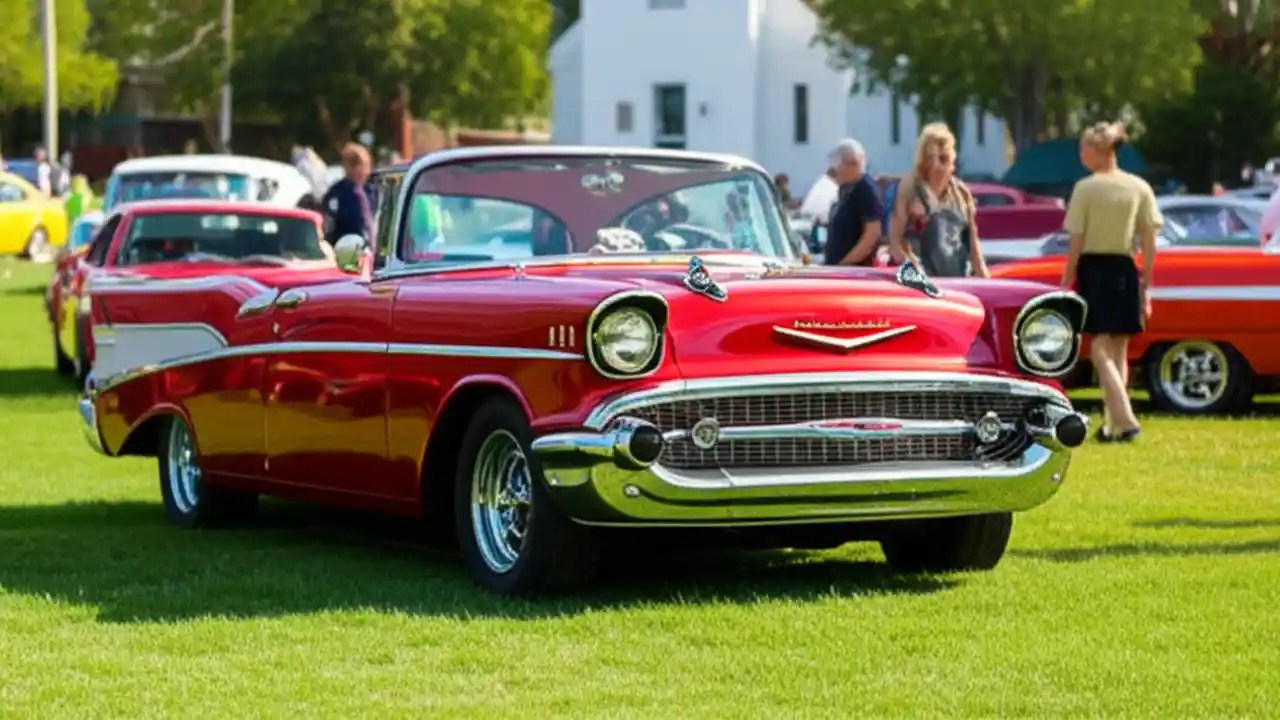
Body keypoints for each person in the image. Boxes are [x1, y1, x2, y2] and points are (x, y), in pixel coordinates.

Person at [1059, 121, 1161, 443]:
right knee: (1118, 349)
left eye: (1084, 147)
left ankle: (1126, 419)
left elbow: (1076, 239)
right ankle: (1111, 425)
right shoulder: (1139, 187)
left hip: (1096, 268)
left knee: (1100, 348)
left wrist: (1066, 279)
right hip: (1125, 269)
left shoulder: (1086, 188)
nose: (1081, 154)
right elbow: (1149, 241)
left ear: (1097, 151)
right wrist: (1146, 286)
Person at [888, 122, 990, 278]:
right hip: (924, 282)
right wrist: (912, 273)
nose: (935, 165)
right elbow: (895, 243)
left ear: (951, 160)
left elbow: (973, 244)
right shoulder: (910, 188)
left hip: (958, 279)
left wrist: (984, 277)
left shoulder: (961, 193)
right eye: (929, 158)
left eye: (942, 158)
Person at [822, 139, 884, 266]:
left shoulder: (866, 190)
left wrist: (845, 263)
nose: (834, 174)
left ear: (853, 163)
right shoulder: (848, 190)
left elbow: (872, 234)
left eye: (836, 168)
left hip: (853, 273)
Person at [320, 142, 374, 244]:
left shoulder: (370, 191)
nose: (366, 171)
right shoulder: (337, 193)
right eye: (362, 166)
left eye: (367, 166)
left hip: (368, 250)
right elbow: (327, 223)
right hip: (344, 249)